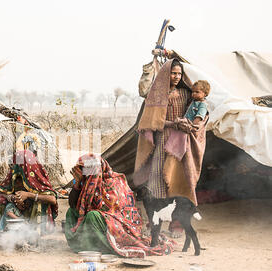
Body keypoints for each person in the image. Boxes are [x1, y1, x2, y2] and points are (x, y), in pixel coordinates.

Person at [133, 59, 209, 237]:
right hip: (161, 142)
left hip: (181, 144)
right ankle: (154, 223)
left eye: (179, 74)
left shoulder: (188, 93)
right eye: (173, 73)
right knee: (157, 181)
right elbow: (150, 120)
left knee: (179, 181)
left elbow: (202, 109)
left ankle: (178, 224)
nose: (176, 77)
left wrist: (189, 125)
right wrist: (173, 123)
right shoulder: (156, 95)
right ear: (166, 74)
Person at [64, 153, 175, 257]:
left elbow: (106, 210)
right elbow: (73, 204)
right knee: (71, 212)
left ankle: (101, 247)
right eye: (82, 169)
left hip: (118, 223)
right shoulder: (87, 182)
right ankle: (78, 244)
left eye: (86, 169)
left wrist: (90, 200)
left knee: (93, 216)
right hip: (100, 218)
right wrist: (77, 184)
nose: (84, 172)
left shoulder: (114, 182)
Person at [0, 150, 58, 234]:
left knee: (40, 205)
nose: (18, 165)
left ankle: (36, 230)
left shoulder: (36, 176)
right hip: (15, 209)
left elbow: (52, 199)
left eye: (21, 162)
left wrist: (29, 195)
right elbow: (1, 192)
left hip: (31, 211)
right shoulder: (14, 172)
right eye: (16, 162)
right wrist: (12, 198)